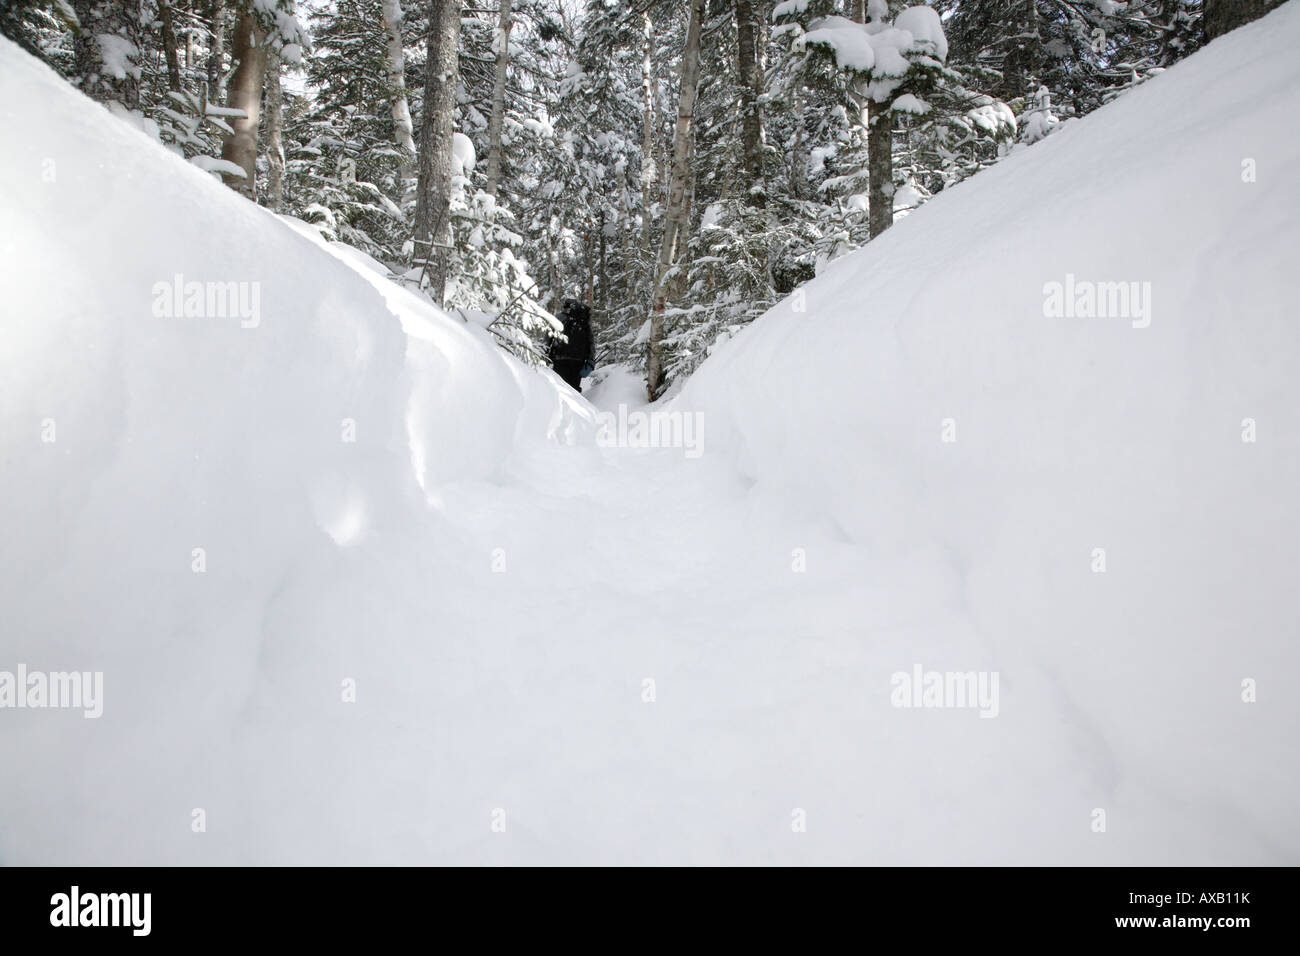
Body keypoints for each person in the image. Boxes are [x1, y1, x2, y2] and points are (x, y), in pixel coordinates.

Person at [549, 298, 595, 392]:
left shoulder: (559, 317)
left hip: (560, 358)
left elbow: (548, 337)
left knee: (559, 387)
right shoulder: (583, 321)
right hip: (578, 361)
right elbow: (591, 342)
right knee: (573, 389)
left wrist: (546, 354)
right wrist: (591, 360)